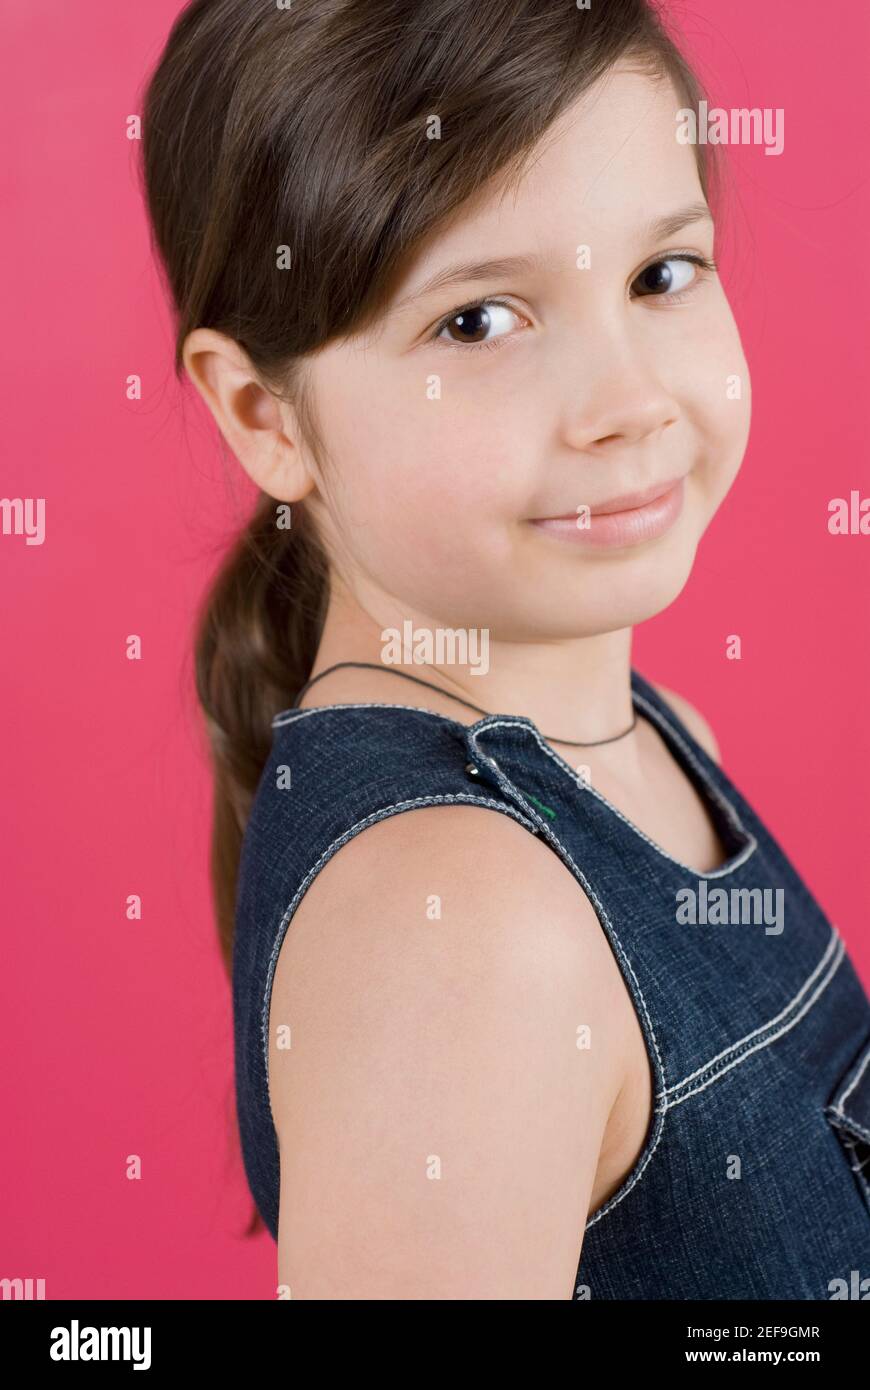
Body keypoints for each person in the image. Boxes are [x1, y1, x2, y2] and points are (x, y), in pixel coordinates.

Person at [140, 0, 870, 1298]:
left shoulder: (652, 742)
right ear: (264, 416)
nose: (628, 402)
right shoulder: (462, 930)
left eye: (661, 274)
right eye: (478, 320)